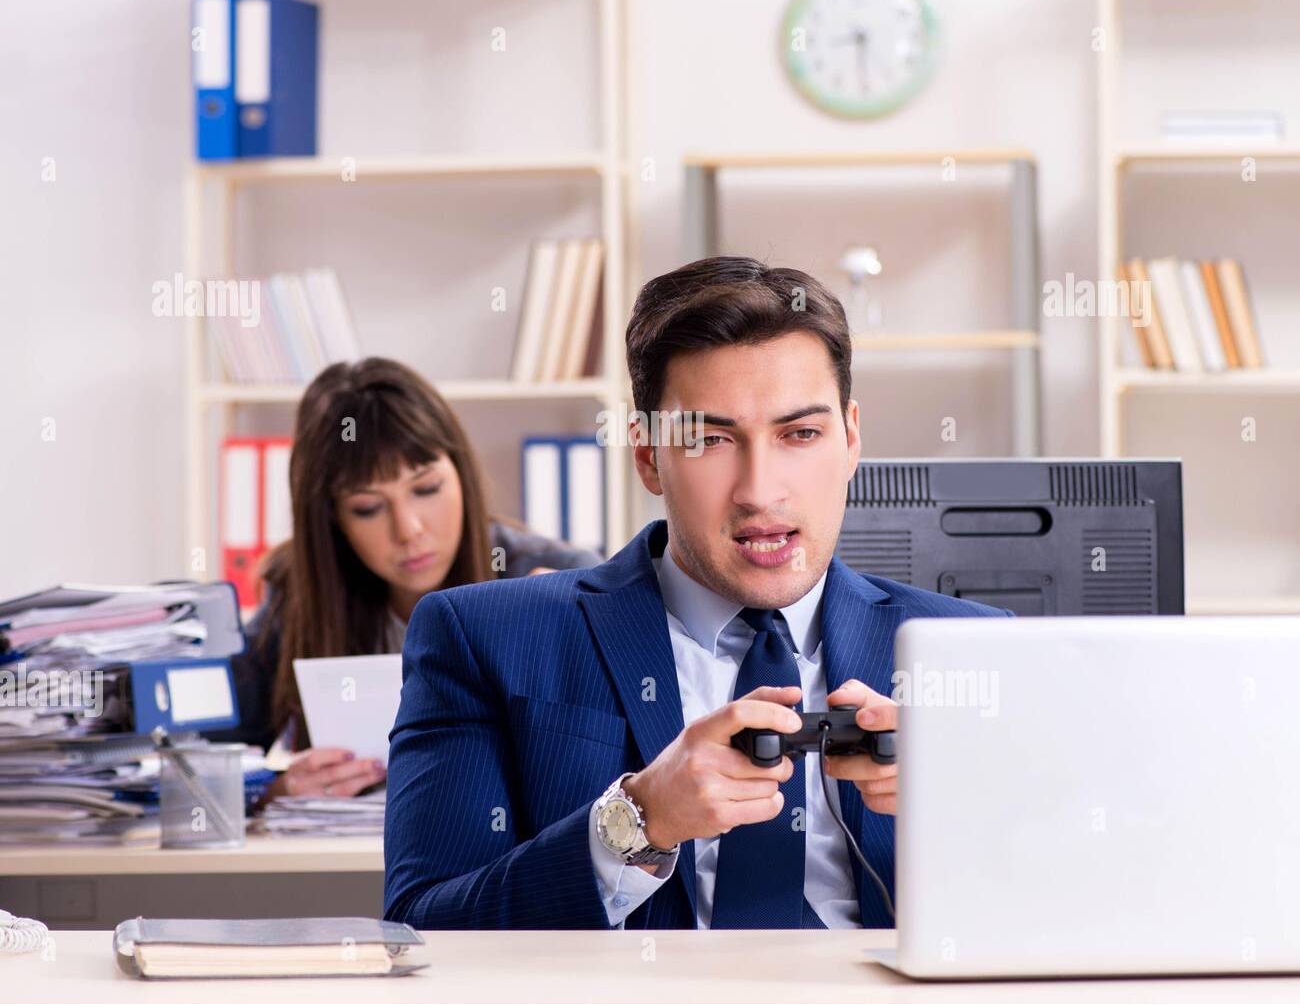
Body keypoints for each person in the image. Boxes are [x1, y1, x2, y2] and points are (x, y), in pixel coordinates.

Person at [384, 257, 1012, 930]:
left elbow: (1075, 921)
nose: (759, 490)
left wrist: (962, 812)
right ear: (649, 456)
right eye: (711, 440)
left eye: (800, 434)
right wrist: (637, 821)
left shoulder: (973, 650)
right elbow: (426, 927)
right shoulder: (483, 636)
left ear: (851, 438)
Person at [218, 357, 602, 798]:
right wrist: (273, 787)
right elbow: (198, 748)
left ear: (460, 474)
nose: (409, 530)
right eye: (368, 508)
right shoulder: (299, 593)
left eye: (426, 489)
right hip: (347, 862)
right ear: (333, 520)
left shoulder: (552, 577)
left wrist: (572, 660)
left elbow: (631, 766)